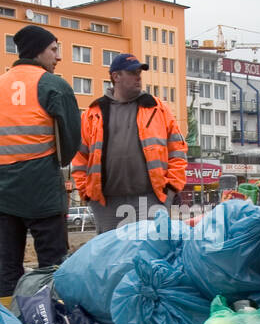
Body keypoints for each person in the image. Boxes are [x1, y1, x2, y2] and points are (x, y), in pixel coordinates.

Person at [0, 25, 81, 298]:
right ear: (38, 51)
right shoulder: (53, 85)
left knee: (9, 262)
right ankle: (52, 321)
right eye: (53, 50)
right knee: (52, 263)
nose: (58, 57)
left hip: (5, 191)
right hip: (42, 187)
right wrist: (61, 159)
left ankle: (9, 320)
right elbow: (71, 137)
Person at [72, 53, 187, 233]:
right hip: (106, 204)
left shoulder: (157, 109)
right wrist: (87, 194)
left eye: (139, 72)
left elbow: (178, 152)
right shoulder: (93, 113)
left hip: (150, 199)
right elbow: (80, 158)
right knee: (112, 255)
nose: (138, 76)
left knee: (149, 253)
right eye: (132, 72)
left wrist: (170, 190)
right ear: (116, 76)